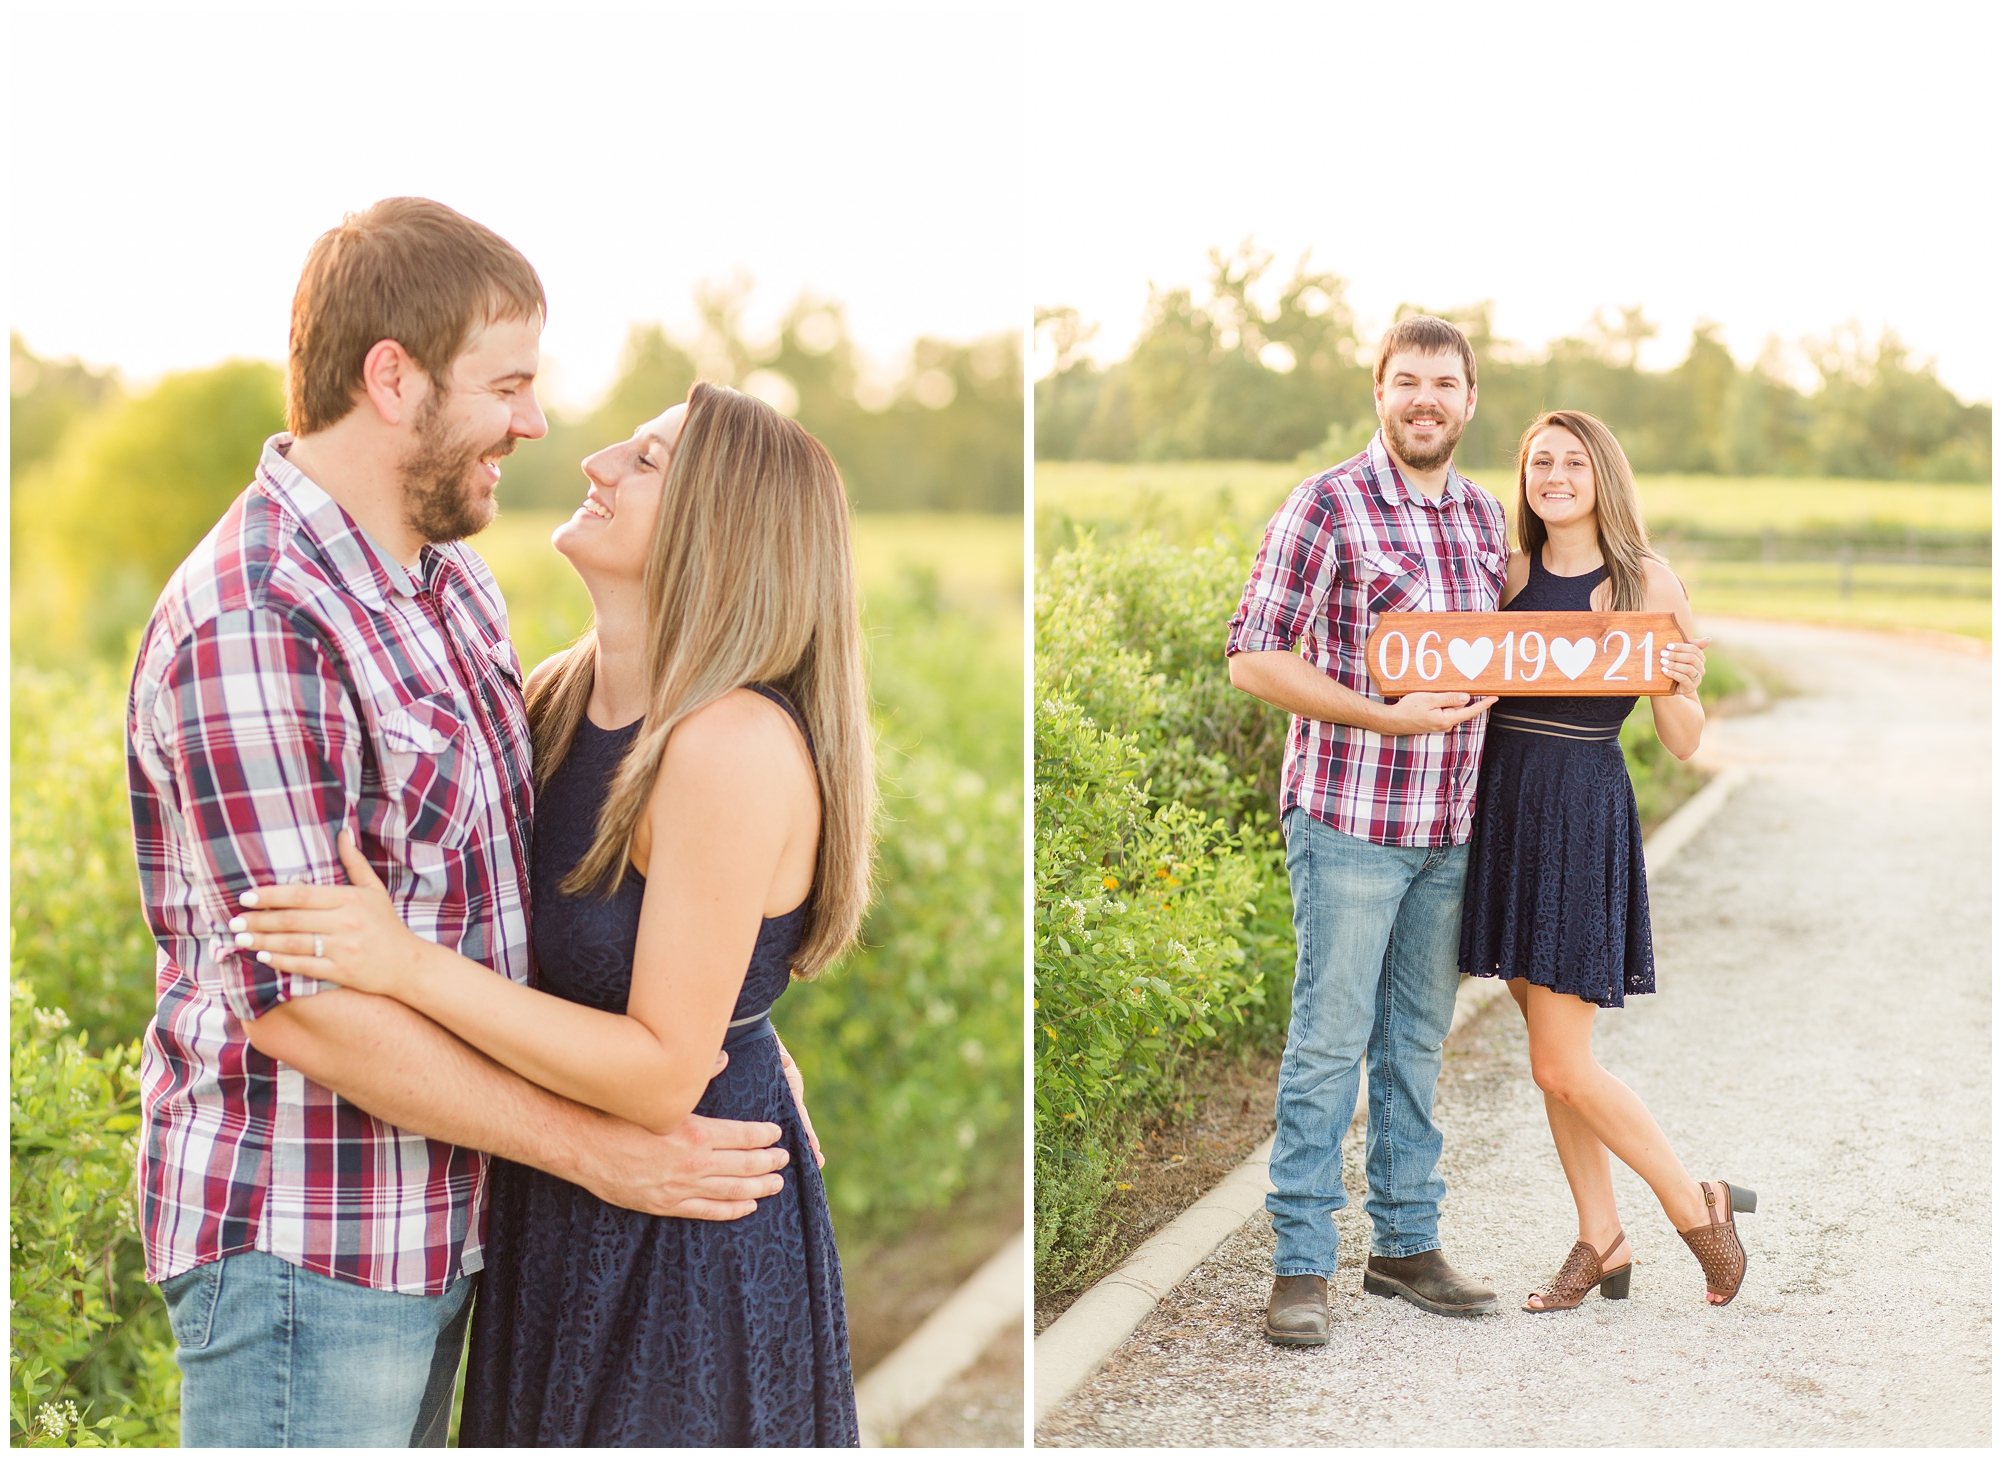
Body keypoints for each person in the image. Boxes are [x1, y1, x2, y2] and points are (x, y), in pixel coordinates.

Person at [128, 198, 794, 1448]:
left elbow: (554, 872)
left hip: (452, 1220)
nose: (536, 424)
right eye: (509, 384)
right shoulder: (260, 622)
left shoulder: (451, 586)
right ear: (394, 378)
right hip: (311, 1245)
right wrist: (599, 1150)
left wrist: (730, 1014)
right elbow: (304, 1004)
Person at [235, 382, 873, 1443]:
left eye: (649, 460)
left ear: (722, 530)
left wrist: (401, 965)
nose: (597, 459)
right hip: (556, 1202)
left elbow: (669, 1066)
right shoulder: (552, 701)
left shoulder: (730, 745)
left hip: (680, 1225)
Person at [1225, 315, 1508, 1346]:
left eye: (1443, 382)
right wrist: (1379, 712)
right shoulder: (1326, 503)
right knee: (1327, 1042)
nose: (1424, 398)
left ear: (1468, 400)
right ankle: (1300, 1264)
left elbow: (1528, 656)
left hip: (1450, 829)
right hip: (1350, 820)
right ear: (1377, 393)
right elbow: (1253, 656)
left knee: (1415, 1048)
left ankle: (1404, 1247)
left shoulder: (1482, 518)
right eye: (1406, 381)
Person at [1458, 409, 1756, 1311]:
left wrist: (1681, 685)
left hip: (1582, 809)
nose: (1553, 474)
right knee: (1553, 1047)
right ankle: (1601, 1235)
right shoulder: (1505, 575)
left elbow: (1682, 739)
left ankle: (1693, 1204)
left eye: (1572, 462)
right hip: (1505, 807)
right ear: (1525, 478)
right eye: (1539, 461)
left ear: (1602, 477)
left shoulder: (1643, 579)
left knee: (1560, 1061)